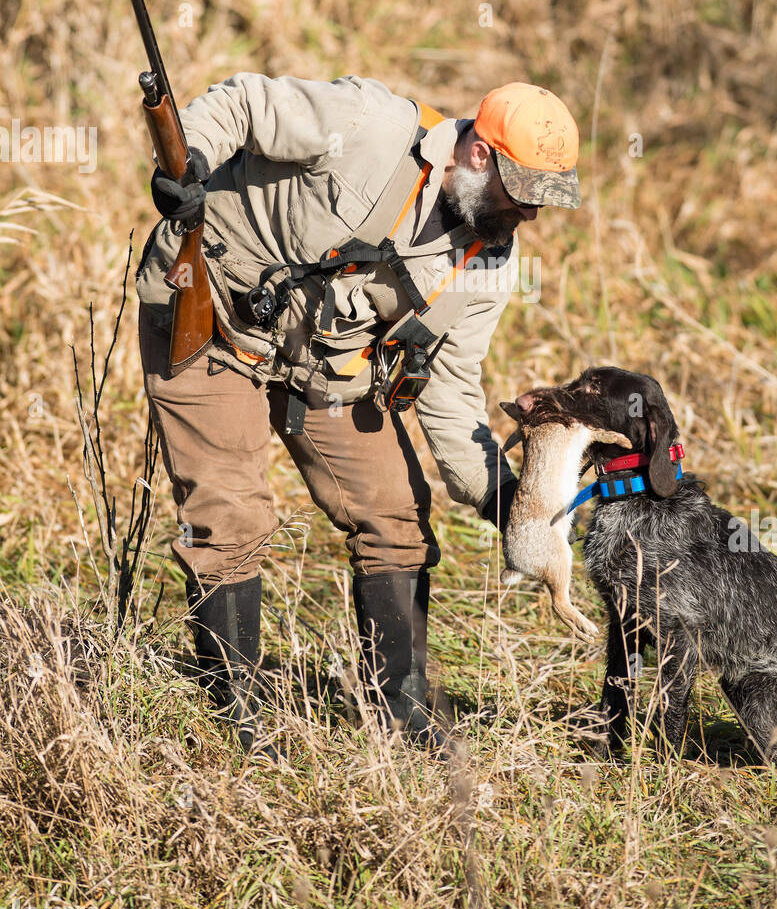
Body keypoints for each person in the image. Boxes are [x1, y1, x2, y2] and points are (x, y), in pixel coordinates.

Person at [135, 75, 581, 754]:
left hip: (323, 364)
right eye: (522, 196)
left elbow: (454, 390)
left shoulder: (487, 261)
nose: (529, 217)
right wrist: (190, 157)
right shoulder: (367, 124)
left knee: (396, 512)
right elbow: (246, 103)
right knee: (231, 511)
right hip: (209, 316)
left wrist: (515, 505)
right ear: (481, 156)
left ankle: (399, 711)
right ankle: (239, 716)